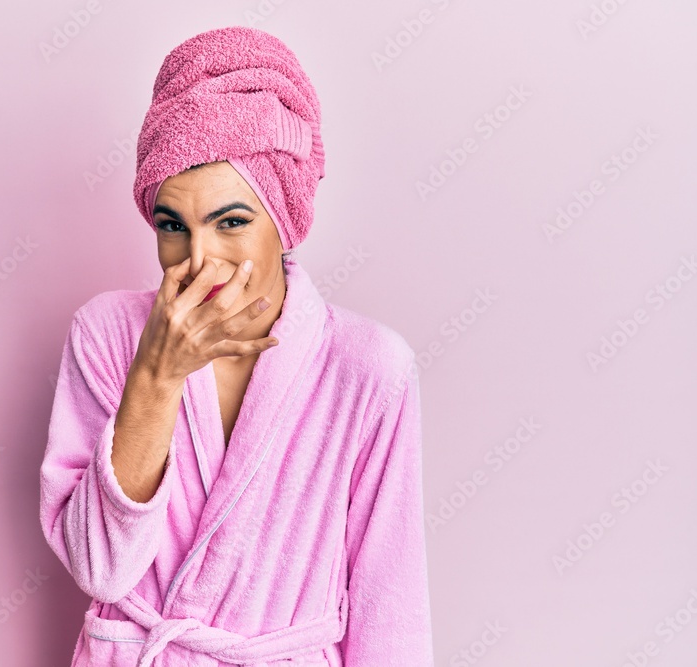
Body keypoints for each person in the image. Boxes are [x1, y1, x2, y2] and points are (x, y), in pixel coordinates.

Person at [40, 26, 435, 666]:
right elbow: (101, 570)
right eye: (173, 226)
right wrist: (155, 379)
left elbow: (391, 608)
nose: (199, 260)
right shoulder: (107, 336)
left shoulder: (367, 368)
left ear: (283, 219)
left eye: (231, 222)